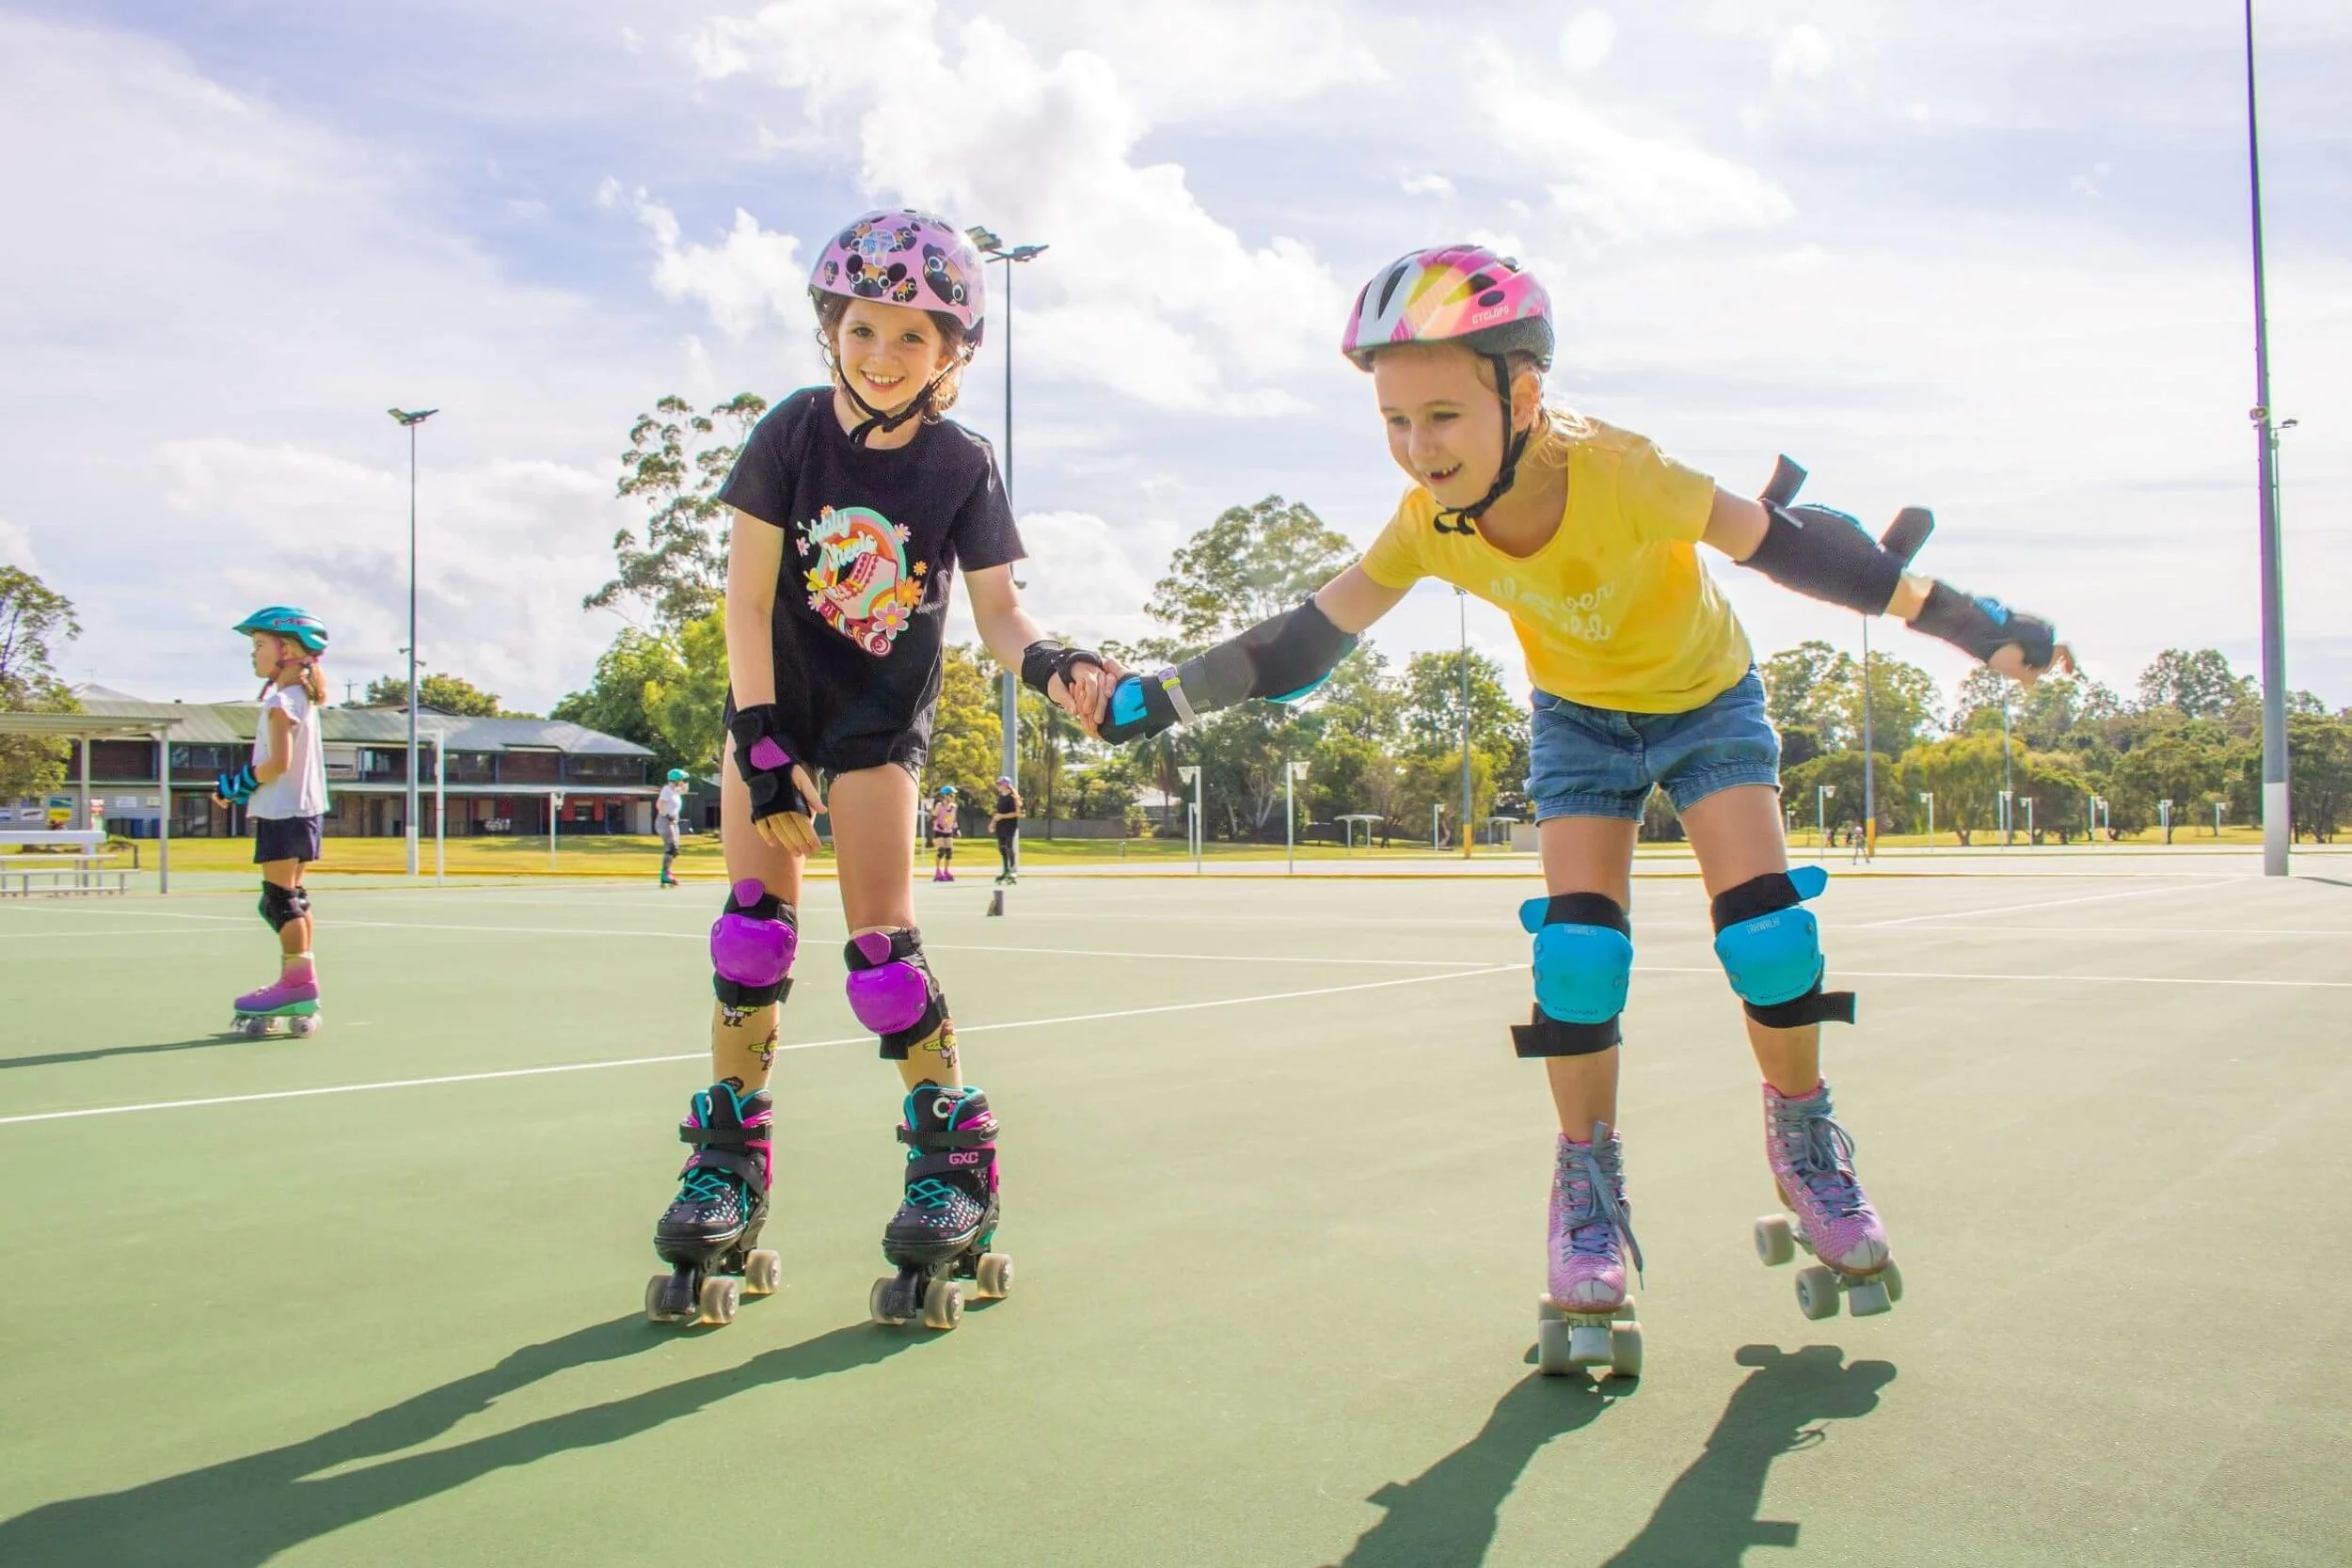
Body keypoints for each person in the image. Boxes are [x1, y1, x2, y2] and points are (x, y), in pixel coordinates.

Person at [1100, 245, 2069, 1365]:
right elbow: (1310, 638)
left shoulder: (1623, 471)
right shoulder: (1427, 523)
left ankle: (1807, 1145)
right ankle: (1586, 1189)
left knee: (1767, 933)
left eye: (1444, 416)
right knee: (1576, 959)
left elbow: (1793, 547)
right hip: (1577, 721)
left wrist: (1962, 619)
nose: (1419, 447)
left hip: (1707, 702)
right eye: (1394, 421)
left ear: (1522, 395)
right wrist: (1163, 695)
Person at [644, 208, 1113, 1331]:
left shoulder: (961, 464)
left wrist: (1056, 664)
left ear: (952, 353)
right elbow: (746, 599)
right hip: (774, 706)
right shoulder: (793, 432)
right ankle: (726, 1160)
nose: (882, 354)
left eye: (913, 336)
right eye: (862, 329)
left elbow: (998, 613)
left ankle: (953, 1162)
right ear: (831, 331)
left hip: (876, 722)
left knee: (880, 956)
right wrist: (761, 739)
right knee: (749, 933)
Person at [215, 608, 333, 1038]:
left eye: (260, 645)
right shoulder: (302, 700)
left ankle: (295, 986)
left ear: (287, 650)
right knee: (293, 898)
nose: (254, 654)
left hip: (283, 811)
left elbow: (277, 764)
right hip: (302, 811)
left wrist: (235, 786)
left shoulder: (282, 703)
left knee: (279, 901)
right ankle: (300, 983)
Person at [656, 768, 689, 887]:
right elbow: (659, 805)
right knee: (671, 846)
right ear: (676, 780)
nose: (683, 782)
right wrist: (667, 815)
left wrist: (684, 783)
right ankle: (665, 874)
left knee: (675, 849)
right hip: (665, 821)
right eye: (682, 779)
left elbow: (685, 790)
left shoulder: (675, 791)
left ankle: (667, 872)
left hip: (673, 822)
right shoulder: (667, 790)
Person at [989, 774, 1021, 884]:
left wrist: (1002, 816)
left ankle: (1012, 870)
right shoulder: (1000, 796)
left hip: (1010, 826)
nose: (998, 786)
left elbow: (1016, 813)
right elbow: (998, 813)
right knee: (1001, 848)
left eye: (1000, 784)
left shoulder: (1012, 797)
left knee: (1009, 847)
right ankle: (1006, 870)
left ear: (1006, 785)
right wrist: (992, 823)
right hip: (1000, 826)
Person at [929, 784, 960, 882]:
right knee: (941, 851)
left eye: (953, 795)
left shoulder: (954, 807)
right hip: (939, 831)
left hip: (948, 831)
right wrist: (938, 824)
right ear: (945, 796)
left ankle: (946, 871)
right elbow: (934, 817)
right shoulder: (940, 805)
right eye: (951, 795)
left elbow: (954, 819)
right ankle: (938, 872)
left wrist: (956, 829)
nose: (953, 797)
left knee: (949, 852)